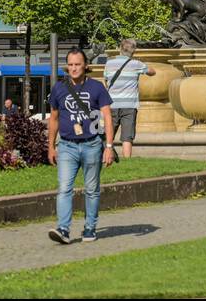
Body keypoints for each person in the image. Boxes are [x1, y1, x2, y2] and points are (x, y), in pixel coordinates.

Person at [47, 49, 114, 244]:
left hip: (92, 145)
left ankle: (90, 227)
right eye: (71, 64)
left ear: (85, 65)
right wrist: (51, 146)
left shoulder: (96, 87)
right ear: (67, 66)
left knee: (92, 189)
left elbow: (107, 117)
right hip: (67, 145)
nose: (74, 68)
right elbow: (54, 118)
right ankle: (63, 229)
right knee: (64, 188)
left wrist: (109, 146)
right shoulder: (59, 88)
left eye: (78, 64)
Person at [102, 38, 155, 160]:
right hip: (129, 105)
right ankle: (127, 160)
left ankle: (106, 156)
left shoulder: (109, 63)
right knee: (127, 136)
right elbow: (152, 72)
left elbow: (105, 80)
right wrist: (145, 66)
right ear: (133, 51)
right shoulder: (136, 64)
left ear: (120, 49)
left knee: (108, 134)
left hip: (111, 105)